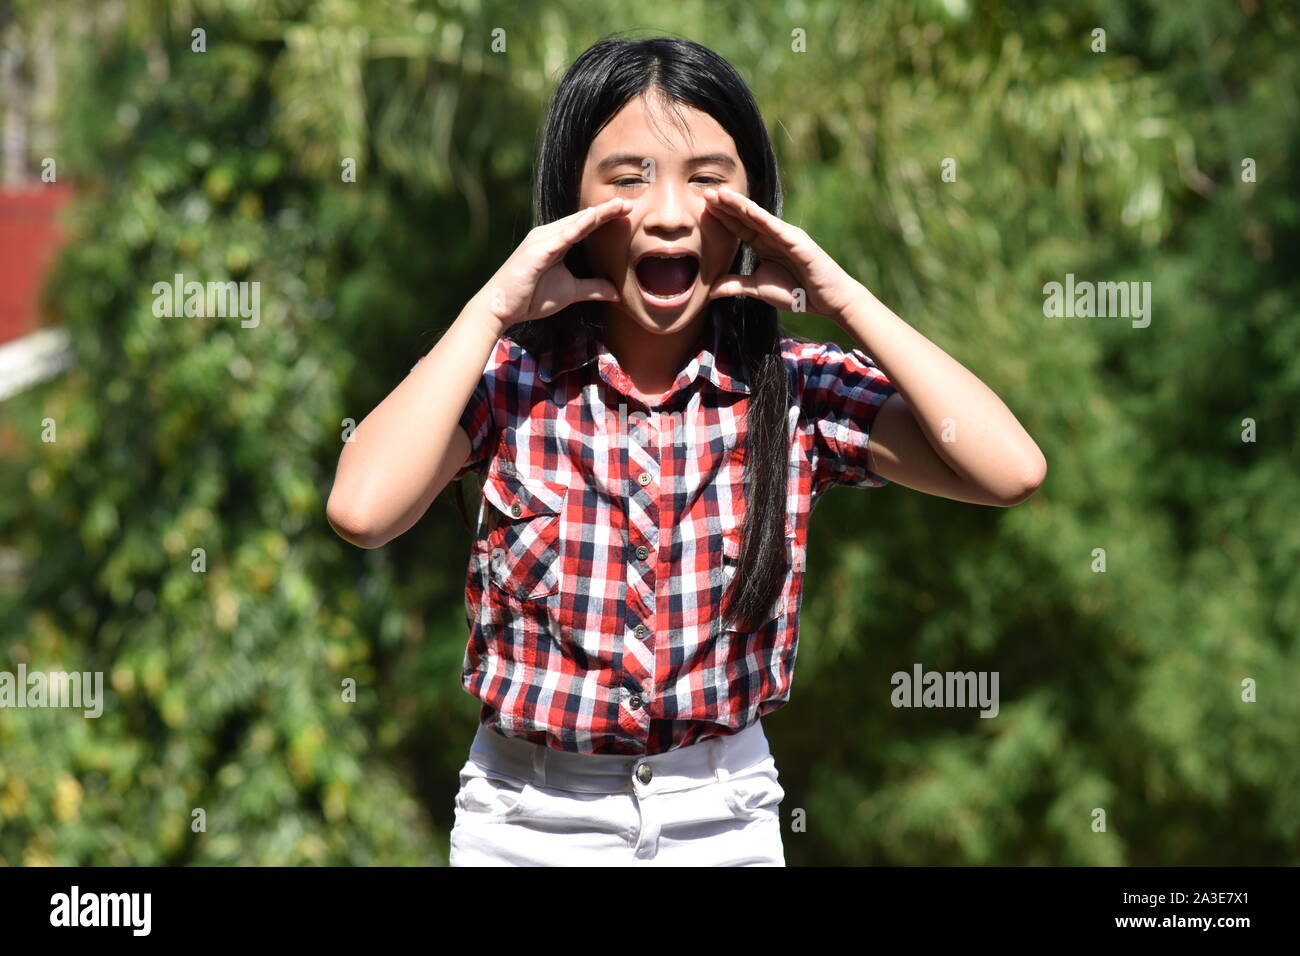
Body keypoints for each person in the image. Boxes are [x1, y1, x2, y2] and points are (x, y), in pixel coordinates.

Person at [326, 33, 1047, 866]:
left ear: (752, 206)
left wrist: (843, 299)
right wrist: (493, 307)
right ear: (572, 204)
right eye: (629, 179)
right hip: (523, 824)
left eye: (707, 178)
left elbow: (1010, 469)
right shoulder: (506, 378)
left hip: (726, 819)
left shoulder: (796, 390)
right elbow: (362, 508)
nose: (669, 211)